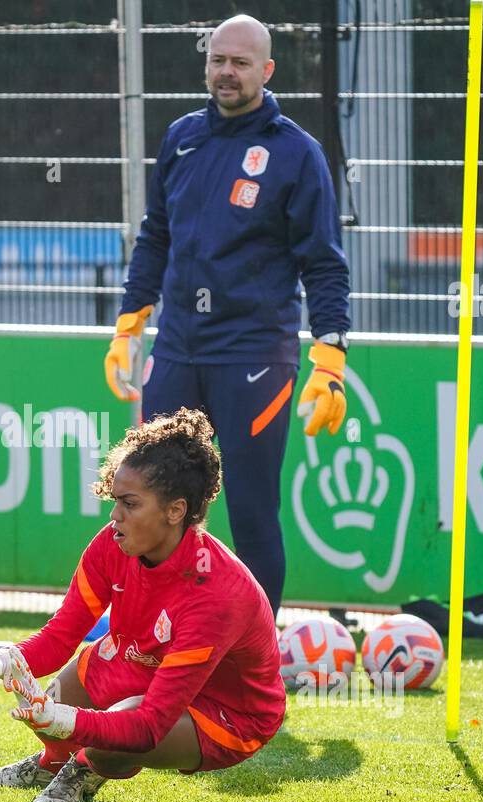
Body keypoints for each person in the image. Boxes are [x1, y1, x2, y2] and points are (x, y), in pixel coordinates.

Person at [103, 14, 352, 614]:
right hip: (179, 350)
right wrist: (130, 321)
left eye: (240, 63)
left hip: (255, 356)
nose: (226, 72)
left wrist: (331, 356)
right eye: (218, 60)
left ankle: (254, 666)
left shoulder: (296, 153)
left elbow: (323, 262)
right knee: (150, 503)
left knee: (251, 509)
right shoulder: (182, 137)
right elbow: (155, 235)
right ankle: (148, 642)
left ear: (266, 71)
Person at [0, 408, 285, 802]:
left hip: (230, 714)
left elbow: (149, 725)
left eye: (130, 504)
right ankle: (51, 763)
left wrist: (70, 722)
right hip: (147, 664)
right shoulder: (112, 543)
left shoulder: (218, 592)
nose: (115, 516)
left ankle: (84, 767)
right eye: (115, 501)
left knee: (116, 730)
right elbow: (63, 634)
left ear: (175, 510)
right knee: (55, 698)